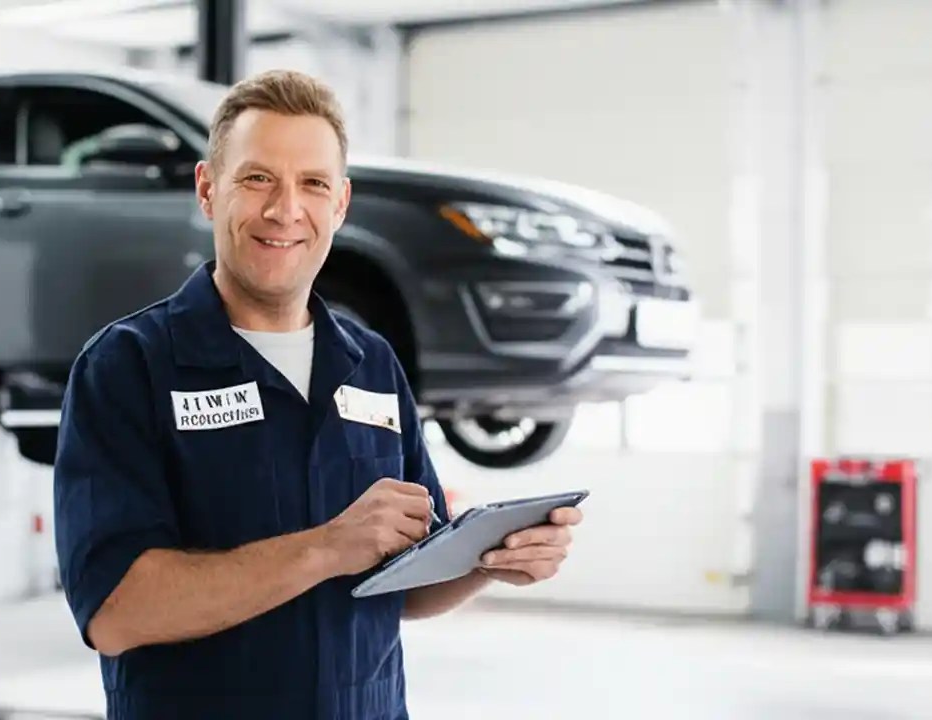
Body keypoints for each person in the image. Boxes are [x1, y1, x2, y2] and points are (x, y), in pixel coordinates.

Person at [53, 68, 584, 719]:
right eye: (257, 179)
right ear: (208, 189)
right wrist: (326, 547)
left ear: (341, 204)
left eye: (312, 184)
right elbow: (115, 611)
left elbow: (402, 582)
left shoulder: (371, 365)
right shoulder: (128, 367)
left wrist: (486, 560)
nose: (285, 209)